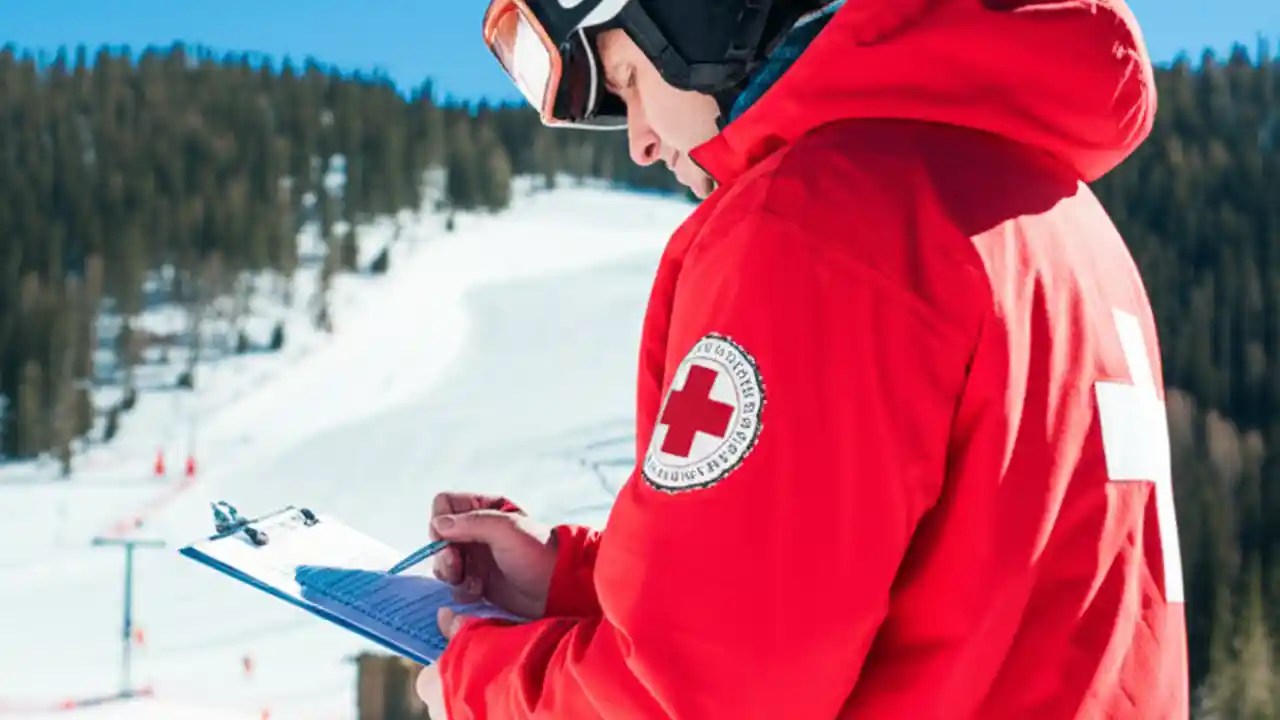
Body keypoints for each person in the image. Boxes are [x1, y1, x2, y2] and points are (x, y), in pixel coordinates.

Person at [416, 0, 1190, 717]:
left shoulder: (819, 221)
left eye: (629, 80)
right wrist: (566, 581)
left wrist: (481, 688)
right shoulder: (1061, 221)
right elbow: (934, 586)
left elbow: (701, 696)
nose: (643, 141)